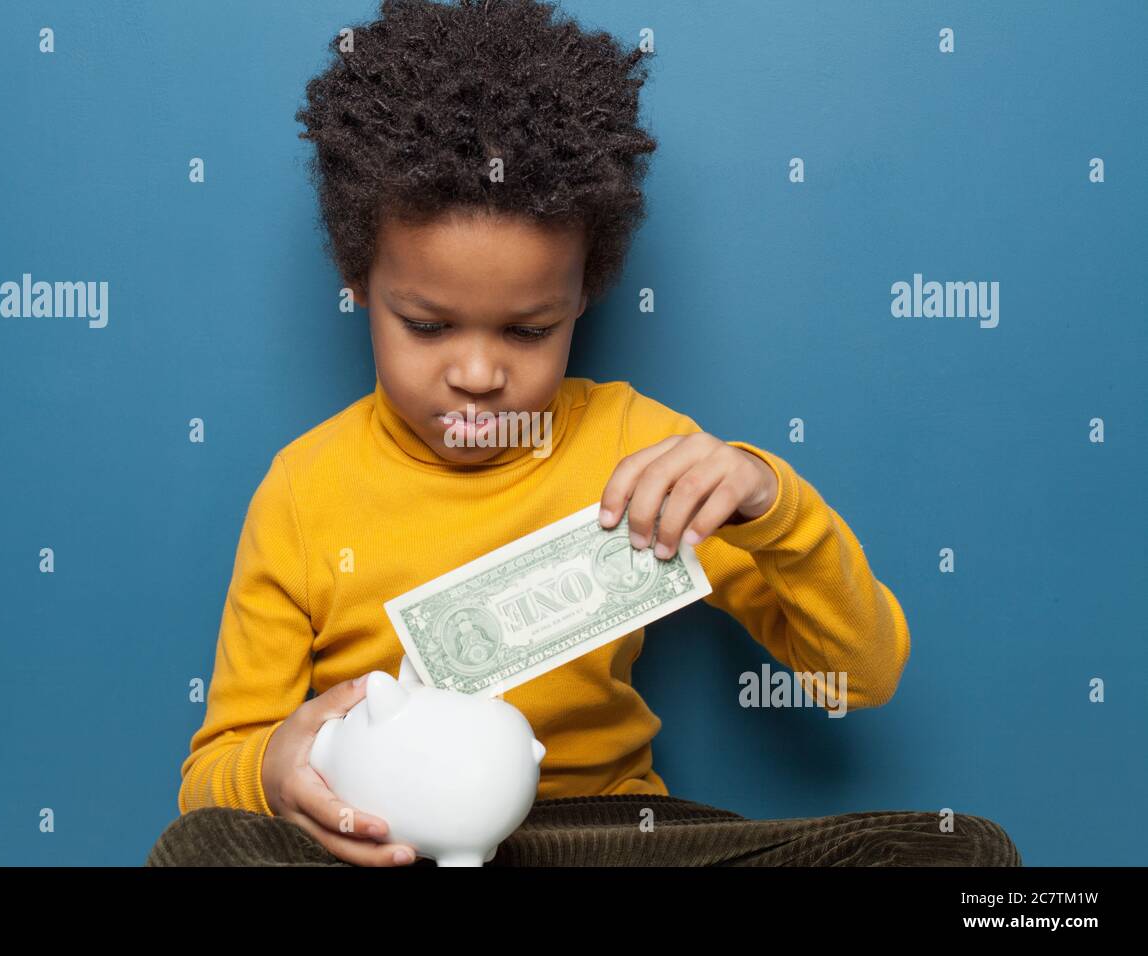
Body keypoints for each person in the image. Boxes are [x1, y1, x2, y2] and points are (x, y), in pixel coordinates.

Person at [149, 0, 1020, 867]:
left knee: (961, 856)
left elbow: (861, 676)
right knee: (200, 848)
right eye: (426, 325)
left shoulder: (638, 449)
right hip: (390, 843)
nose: (479, 374)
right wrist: (274, 766)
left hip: (605, 836)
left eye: (528, 332)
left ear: (583, 298)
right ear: (359, 282)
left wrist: (770, 504)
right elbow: (210, 774)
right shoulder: (304, 491)